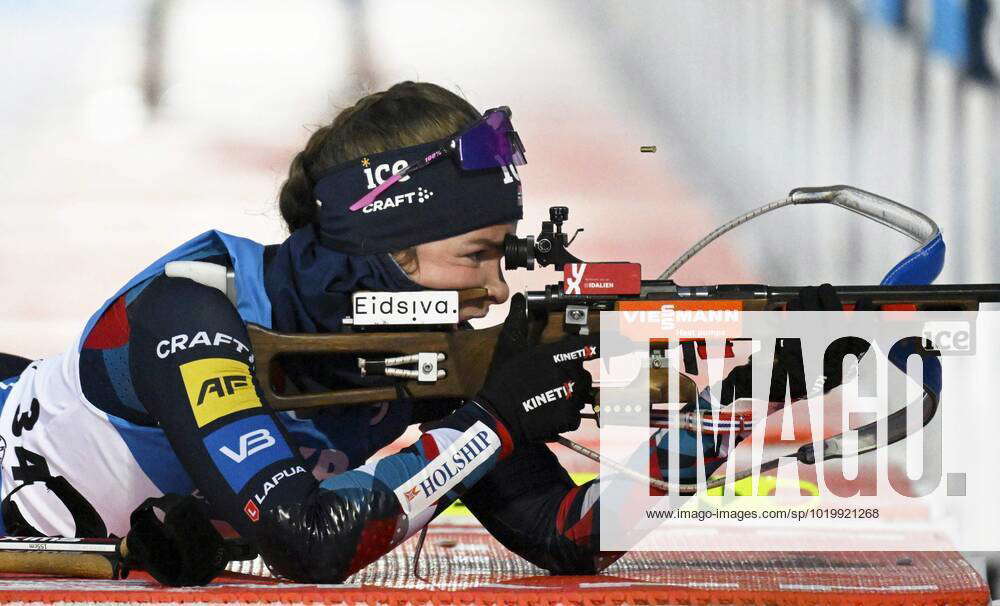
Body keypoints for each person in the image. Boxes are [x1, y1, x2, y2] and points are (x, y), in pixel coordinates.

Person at [0, 81, 615, 583]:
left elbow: (565, 535)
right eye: (476, 255)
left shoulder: (417, 349)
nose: (499, 288)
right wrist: (494, 422)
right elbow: (309, 541)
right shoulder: (192, 311)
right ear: (386, 251)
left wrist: (695, 443)